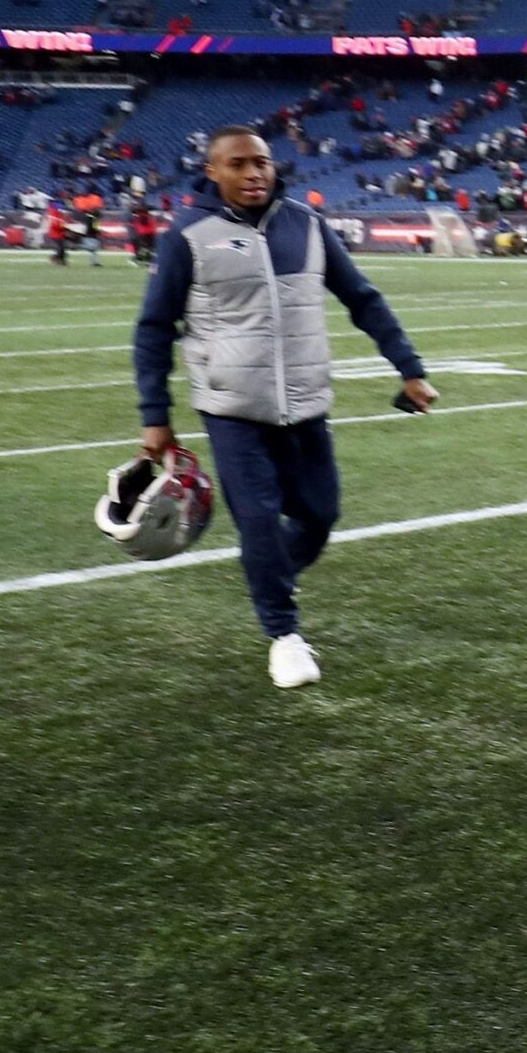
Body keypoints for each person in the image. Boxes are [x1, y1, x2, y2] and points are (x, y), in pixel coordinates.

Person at [133, 124, 437, 687]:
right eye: (240, 165)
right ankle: (284, 635)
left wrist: (409, 368)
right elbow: (154, 327)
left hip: (307, 402)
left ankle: (269, 572)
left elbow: (362, 298)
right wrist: (155, 415)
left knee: (320, 515)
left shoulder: (309, 224)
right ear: (213, 172)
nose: (254, 174)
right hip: (231, 407)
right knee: (258, 521)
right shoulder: (188, 236)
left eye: (262, 163)